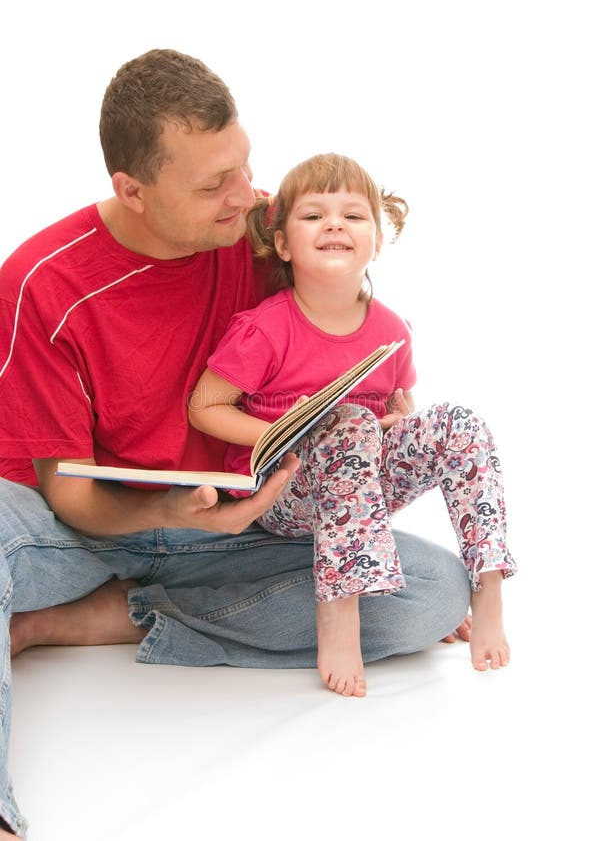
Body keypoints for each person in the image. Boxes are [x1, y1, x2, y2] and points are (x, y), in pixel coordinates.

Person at [0, 50, 471, 839]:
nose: (245, 195)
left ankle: (102, 619)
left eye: (244, 164)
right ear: (133, 191)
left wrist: (387, 412)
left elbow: (350, 320)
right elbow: (68, 493)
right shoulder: (40, 282)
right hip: (71, 527)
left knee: (433, 592)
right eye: (213, 184)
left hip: (234, 521)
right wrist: (179, 517)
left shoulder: (258, 230)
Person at [189, 153, 516, 698]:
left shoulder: (390, 328)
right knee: (348, 421)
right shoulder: (265, 328)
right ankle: (338, 606)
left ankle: (487, 584)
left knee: (460, 423)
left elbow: (399, 400)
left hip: (356, 484)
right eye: (314, 215)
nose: (335, 225)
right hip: (284, 490)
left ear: (377, 240)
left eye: (353, 216)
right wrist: (282, 430)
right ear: (285, 244)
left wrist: (400, 422)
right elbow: (204, 406)